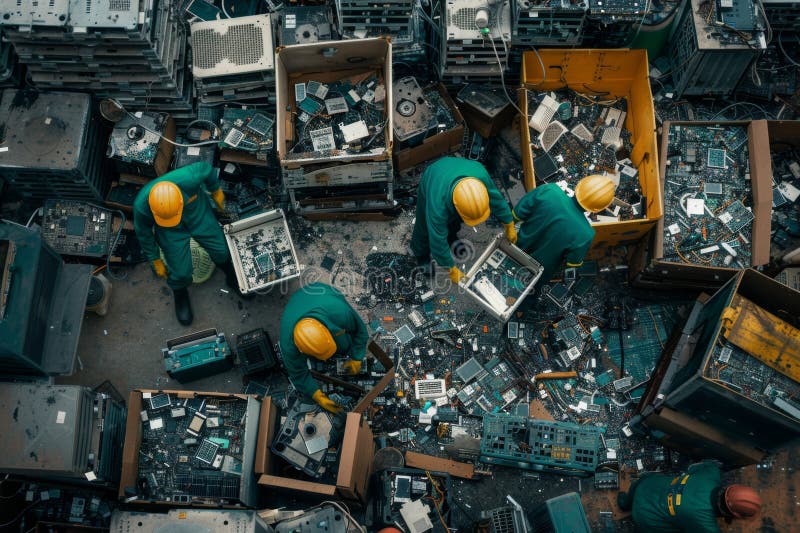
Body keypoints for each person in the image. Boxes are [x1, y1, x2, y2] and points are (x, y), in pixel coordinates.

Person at [133, 161, 244, 326]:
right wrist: (154, 258)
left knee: (222, 251)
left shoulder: (190, 177)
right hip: (170, 231)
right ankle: (180, 292)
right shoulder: (141, 206)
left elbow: (207, 170)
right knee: (180, 271)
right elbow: (144, 234)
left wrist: (216, 190)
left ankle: (232, 278)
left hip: (196, 212)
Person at [410, 157, 516, 284]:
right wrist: (450, 268)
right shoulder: (437, 204)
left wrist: (509, 224)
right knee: (424, 227)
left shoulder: (480, 175)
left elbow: (496, 200)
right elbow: (437, 239)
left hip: (454, 172)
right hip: (433, 178)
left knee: (455, 221)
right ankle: (421, 255)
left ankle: (451, 237)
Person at [279, 282, 369, 414]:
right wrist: (317, 396)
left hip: (320, 293)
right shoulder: (288, 345)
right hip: (297, 307)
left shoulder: (339, 311)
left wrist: (356, 357)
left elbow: (360, 330)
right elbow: (298, 374)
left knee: (345, 343)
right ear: (300, 349)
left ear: (327, 331)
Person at [513, 174, 614, 284]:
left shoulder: (549, 190)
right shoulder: (587, 234)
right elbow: (572, 263)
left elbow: (515, 215)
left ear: (578, 186)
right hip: (535, 274)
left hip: (512, 247)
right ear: (597, 209)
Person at [617, 461, 762, 532]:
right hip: (644, 518)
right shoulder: (704, 523)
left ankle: (624, 503)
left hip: (646, 485)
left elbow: (693, 468)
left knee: (646, 480)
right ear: (732, 513)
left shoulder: (712, 473)